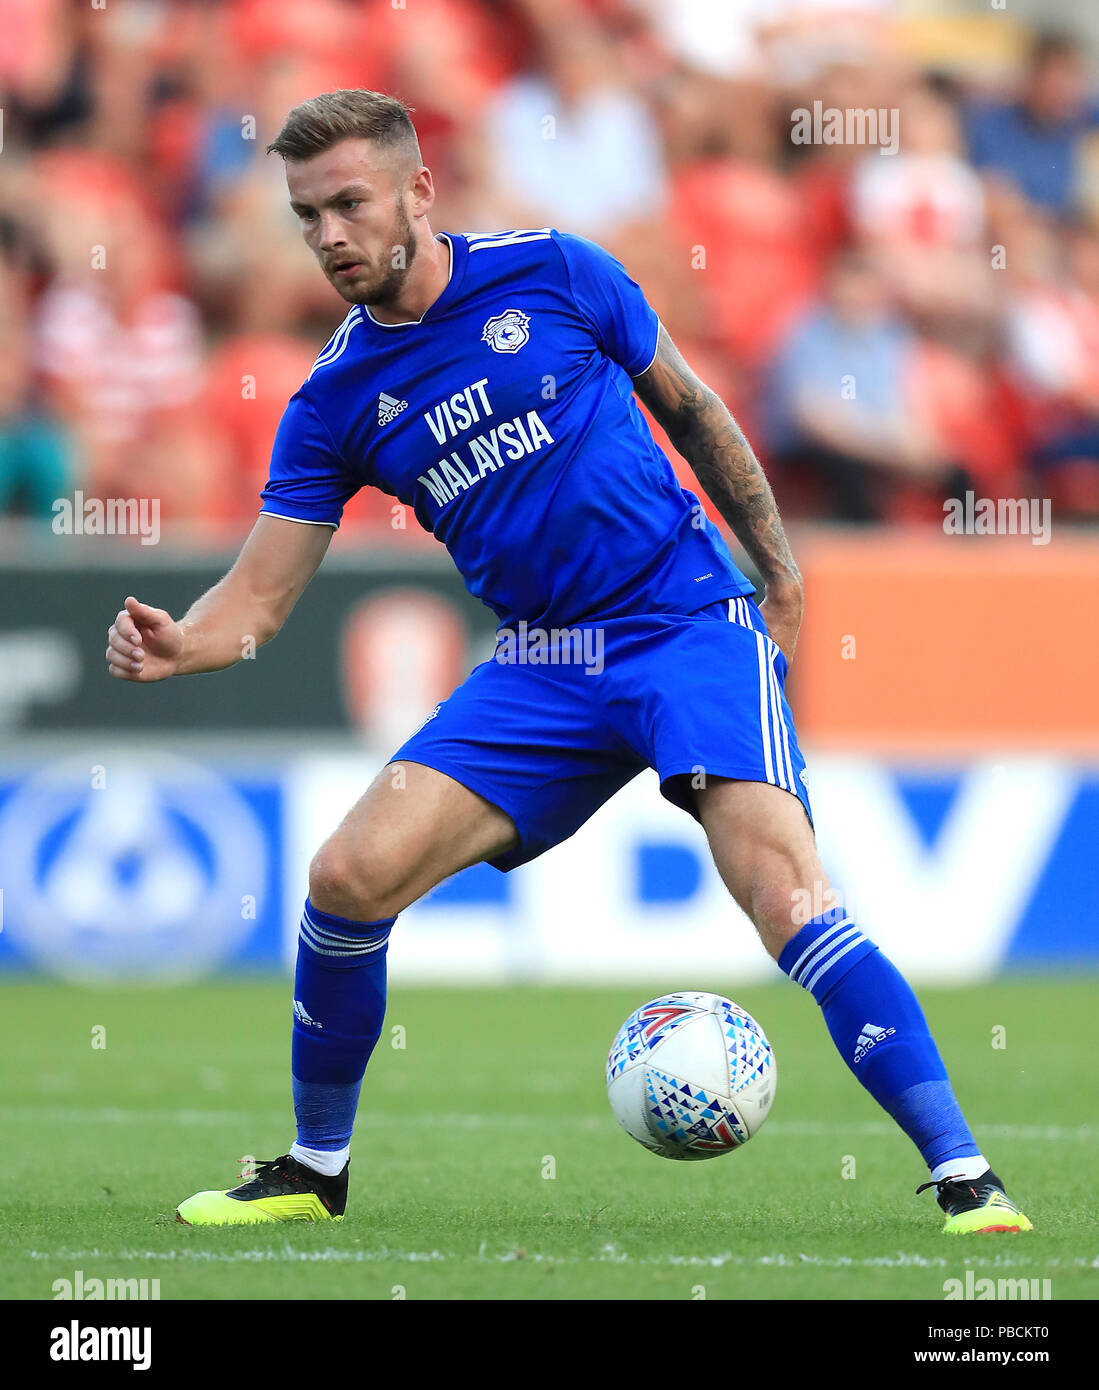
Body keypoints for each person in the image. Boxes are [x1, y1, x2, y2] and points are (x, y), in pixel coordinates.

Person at [105, 90, 1030, 1235]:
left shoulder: (554, 269)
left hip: (683, 618)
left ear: (416, 191)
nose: (330, 235)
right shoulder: (334, 397)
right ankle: (313, 1166)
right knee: (346, 878)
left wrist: (779, 579)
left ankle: (964, 1179)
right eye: (307, 216)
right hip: (542, 663)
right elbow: (260, 594)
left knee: (787, 895)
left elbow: (692, 412)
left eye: (349, 203)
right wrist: (187, 642)